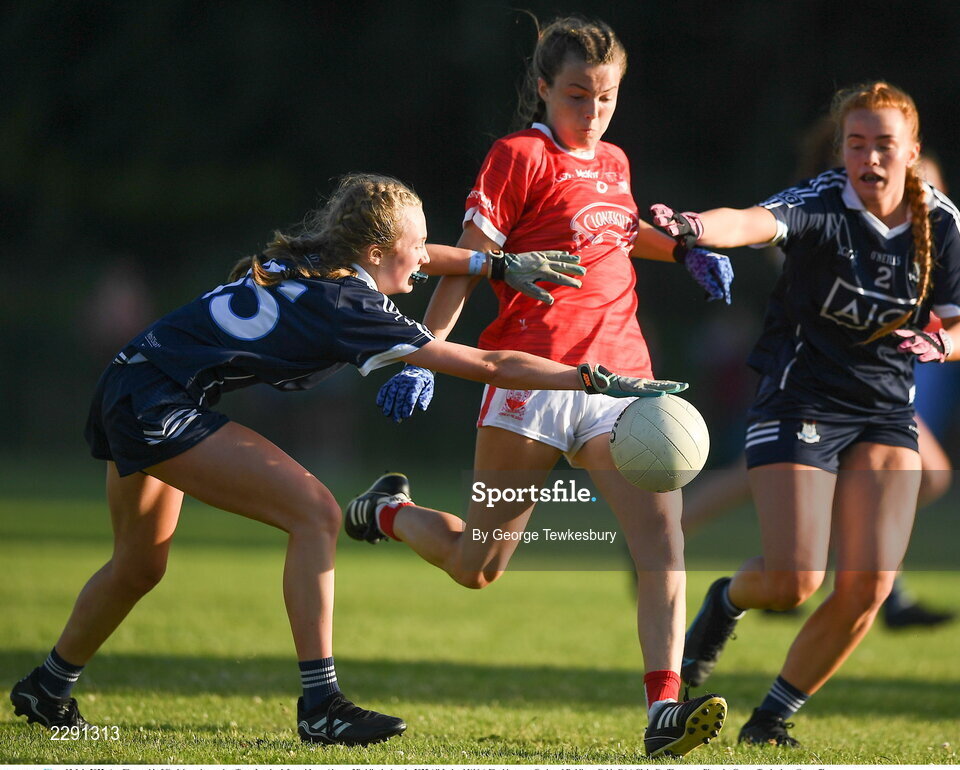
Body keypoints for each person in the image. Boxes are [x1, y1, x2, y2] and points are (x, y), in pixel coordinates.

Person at [8, 172, 684, 745]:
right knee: (316, 513)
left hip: (134, 380)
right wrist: (589, 379)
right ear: (379, 249)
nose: (426, 261)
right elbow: (486, 362)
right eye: (417, 249)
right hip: (158, 402)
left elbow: (437, 260)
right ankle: (320, 706)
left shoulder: (313, 261)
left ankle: (47, 689)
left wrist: (496, 264)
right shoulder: (350, 304)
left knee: (139, 564)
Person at [345, 16, 732, 759]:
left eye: (607, 97)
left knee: (661, 539)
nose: (593, 112)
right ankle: (390, 511)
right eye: (578, 95)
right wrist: (425, 353)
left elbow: (616, 232)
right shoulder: (517, 156)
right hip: (530, 381)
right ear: (545, 88)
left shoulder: (615, 161)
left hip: (623, 384)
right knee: (478, 568)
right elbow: (465, 260)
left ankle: (663, 712)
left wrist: (682, 251)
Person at [652, 81, 960, 746]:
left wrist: (941, 343)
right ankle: (725, 602)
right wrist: (694, 229)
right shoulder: (821, 202)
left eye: (884, 144)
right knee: (794, 580)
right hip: (800, 397)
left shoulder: (939, 220)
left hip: (887, 411)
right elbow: (750, 222)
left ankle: (770, 719)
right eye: (855, 143)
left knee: (866, 588)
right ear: (842, 149)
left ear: (911, 152)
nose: (869, 157)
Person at [681, 134, 958, 630]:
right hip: (809, 382)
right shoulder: (820, 217)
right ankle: (672, 535)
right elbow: (767, 243)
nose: (926, 203)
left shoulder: (927, 235)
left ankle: (872, 585)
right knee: (759, 474)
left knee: (919, 475)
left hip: (878, 388)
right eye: (924, 189)